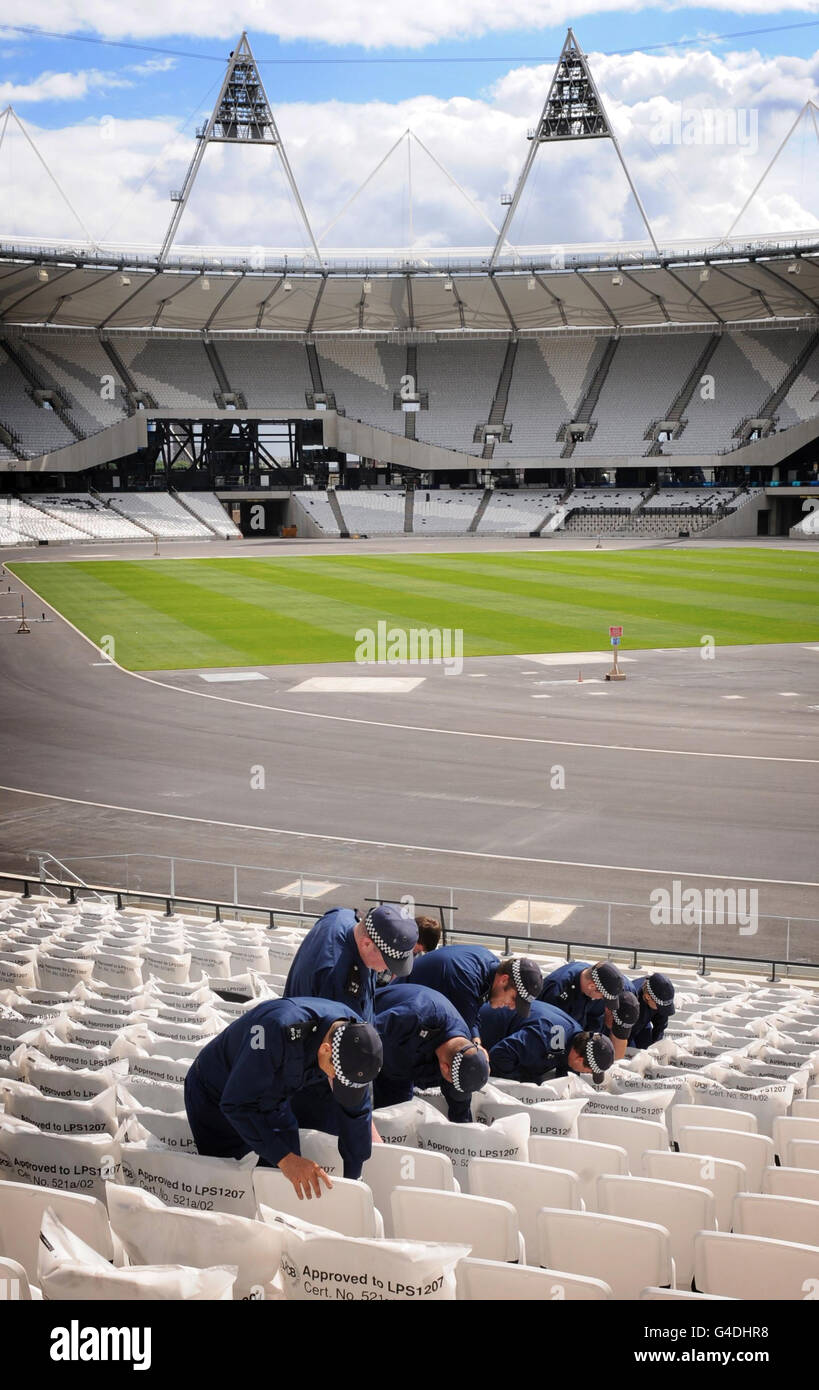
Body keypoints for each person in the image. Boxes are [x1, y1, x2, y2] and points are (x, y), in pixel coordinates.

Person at [184, 997, 383, 1195]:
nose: (332, 1079)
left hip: (274, 1101)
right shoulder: (275, 1028)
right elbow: (237, 1104)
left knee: (288, 1185)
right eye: (334, 1076)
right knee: (230, 1188)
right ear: (325, 1050)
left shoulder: (357, 1040)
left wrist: (354, 1179)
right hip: (216, 1095)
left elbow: (356, 1113)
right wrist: (285, 1159)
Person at [373, 983, 489, 1122]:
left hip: (400, 1070)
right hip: (373, 1043)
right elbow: (366, 1035)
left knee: (396, 1122)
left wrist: (464, 1130)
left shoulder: (463, 1055)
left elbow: (459, 1102)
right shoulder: (417, 1015)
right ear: (445, 1069)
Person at [284, 903, 417, 1023]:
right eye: (389, 962)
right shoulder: (338, 980)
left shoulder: (341, 916)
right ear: (367, 944)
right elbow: (342, 1040)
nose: (388, 969)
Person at [401, 943, 542, 1047]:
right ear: (504, 980)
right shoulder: (466, 979)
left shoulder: (487, 963)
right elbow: (459, 1037)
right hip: (399, 1014)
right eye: (513, 999)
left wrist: (476, 1039)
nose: (512, 1007)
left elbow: (471, 1014)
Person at [479, 998, 614, 1084]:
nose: (587, 1073)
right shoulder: (547, 1037)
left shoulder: (575, 1036)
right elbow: (499, 1055)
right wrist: (524, 1082)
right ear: (579, 1060)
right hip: (481, 1032)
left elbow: (565, 1068)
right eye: (588, 1071)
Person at [539, 959, 624, 1031]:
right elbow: (548, 1027)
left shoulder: (593, 977)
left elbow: (594, 1019)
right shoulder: (557, 989)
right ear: (591, 986)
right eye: (602, 996)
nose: (601, 999)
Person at [625, 973, 676, 1049]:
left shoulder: (660, 997)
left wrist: (656, 1044)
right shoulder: (630, 1001)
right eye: (659, 1007)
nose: (660, 1009)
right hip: (625, 1025)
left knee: (647, 1048)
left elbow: (660, 1026)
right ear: (647, 997)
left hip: (643, 1023)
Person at [602, 990, 641, 1061]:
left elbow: (620, 1041)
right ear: (608, 1010)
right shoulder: (597, 1001)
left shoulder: (633, 997)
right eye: (615, 1025)